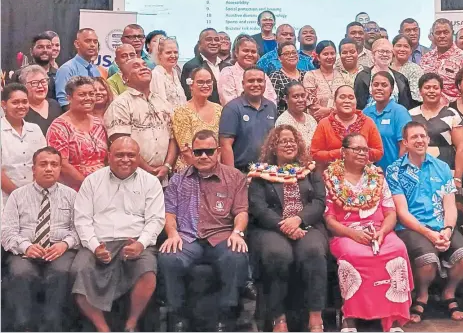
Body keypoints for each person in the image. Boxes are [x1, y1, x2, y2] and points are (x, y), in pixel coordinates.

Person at [158, 130, 249, 331]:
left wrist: (237, 232)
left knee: (236, 255)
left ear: (218, 151)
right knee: (168, 257)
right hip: (187, 238)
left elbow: (241, 211)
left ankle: (226, 317)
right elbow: (169, 212)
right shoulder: (178, 180)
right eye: (198, 152)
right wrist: (172, 234)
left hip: (221, 236)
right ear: (191, 153)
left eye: (209, 151)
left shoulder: (234, 177)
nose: (204, 156)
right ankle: (177, 316)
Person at [72, 137, 165, 332]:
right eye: (119, 155)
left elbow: (156, 220)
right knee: (79, 271)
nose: (125, 159)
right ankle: (103, 328)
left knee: (147, 271)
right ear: (108, 157)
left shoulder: (150, 183)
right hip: (99, 241)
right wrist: (95, 246)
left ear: (139, 157)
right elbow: (82, 220)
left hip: (136, 241)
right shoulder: (92, 181)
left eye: (131, 155)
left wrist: (141, 244)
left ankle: (130, 324)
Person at [386, 121, 463, 323]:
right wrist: (428, 233)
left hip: (441, 225)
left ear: (428, 139)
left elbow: (450, 206)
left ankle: (449, 293)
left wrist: (448, 229)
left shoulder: (442, 167)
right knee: (427, 260)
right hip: (411, 227)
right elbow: (401, 212)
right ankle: (422, 295)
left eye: (422, 136)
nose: (419, 140)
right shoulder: (394, 171)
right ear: (406, 143)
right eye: (414, 137)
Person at [324, 132, 413, 332]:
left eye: (365, 149)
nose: (363, 153)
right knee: (353, 255)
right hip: (346, 233)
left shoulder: (377, 177)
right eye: (357, 149)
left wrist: (382, 232)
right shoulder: (331, 177)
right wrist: (352, 234)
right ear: (343, 152)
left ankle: (393, 319)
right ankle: (351, 318)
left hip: (379, 230)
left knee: (397, 250)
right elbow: (329, 219)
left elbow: (391, 213)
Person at [248, 125, 328, 332]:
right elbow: (258, 207)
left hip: (307, 224)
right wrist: (284, 225)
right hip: (271, 228)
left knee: (313, 251)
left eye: (292, 141)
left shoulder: (309, 170)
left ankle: (315, 318)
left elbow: (319, 201)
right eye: (283, 141)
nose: (289, 144)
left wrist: (299, 220)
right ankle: (278, 318)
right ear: (273, 147)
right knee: (277, 254)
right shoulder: (260, 173)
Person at [1, 146, 79, 331]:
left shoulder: (72, 196)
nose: (49, 168)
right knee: (21, 273)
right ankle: (23, 325)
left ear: (60, 168)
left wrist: (64, 244)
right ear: (33, 169)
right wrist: (26, 246)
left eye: (54, 164)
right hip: (24, 252)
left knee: (60, 273)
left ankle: (53, 326)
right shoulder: (17, 196)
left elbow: (79, 230)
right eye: (43, 164)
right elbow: (6, 231)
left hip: (60, 252)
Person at [104, 58, 178, 187]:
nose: (144, 67)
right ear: (125, 78)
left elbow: (173, 138)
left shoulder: (163, 102)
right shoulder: (120, 105)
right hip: (132, 178)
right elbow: (121, 145)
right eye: (136, 66)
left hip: (163, 178)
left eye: (145, 65)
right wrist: (148, 169)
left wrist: (166, 166)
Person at [46, 76, 108, 191]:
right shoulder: (59, 127)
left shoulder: (98, 123)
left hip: (104, 186)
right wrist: (88, 185)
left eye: (91, 94)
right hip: (74, 189)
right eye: (82, 95)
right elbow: (62, 165)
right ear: (69, 98)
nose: (88, 98)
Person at [409, 73, 463, 190]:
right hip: (416, 171)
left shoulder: (451, 114)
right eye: (427, 87)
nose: (431, 91)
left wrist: (457, 178)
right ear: (420, 91)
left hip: (446, 170)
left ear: (441, 91)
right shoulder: (410, 114)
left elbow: (462, 147)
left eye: (435, 88)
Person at [311, 85, 383, 171]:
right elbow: (315, 154)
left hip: (363, 177)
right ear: (335, 102)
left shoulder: (368, 122)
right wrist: (340, 153)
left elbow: (379, 152)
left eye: (351, 97)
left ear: (356, 101)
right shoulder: (324, 124)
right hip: (330, 176)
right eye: (342, 97)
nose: (347, 101)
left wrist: (359, 153)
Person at [219, 66, 278, 172]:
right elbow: (225, 145)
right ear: (243, 84)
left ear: (265, 83)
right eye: (251, 81)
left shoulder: (271, 107)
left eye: (260, 81)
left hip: (268, 171)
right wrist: (232, 176)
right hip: (242, 171)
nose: (256, 84)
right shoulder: (232, 108)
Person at [1, 83, 47, 206]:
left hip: (36, 196)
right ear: (3, 104)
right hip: (5, 199)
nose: (21, 106)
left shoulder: (35, 129)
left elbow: (43, 161)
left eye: (24, 102)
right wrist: (19, 195)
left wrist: (34, 192)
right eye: (15, 102)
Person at [172, 67, 223, 172]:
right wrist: (205, 172)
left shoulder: (219, 109)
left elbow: (221, 145)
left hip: (215, 168)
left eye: (209, 82)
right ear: (191, 85)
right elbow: (186, 150)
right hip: (189, 170)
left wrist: (216, 170)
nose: (205, 85)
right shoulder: (182, 111)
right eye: (200, 82)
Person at [363, 72, 412, 171]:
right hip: (368, 174)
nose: (379, 88)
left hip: (393, 174)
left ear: (391, 89)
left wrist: (398, 172)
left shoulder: (399, 112)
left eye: (384, 85)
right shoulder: (365, 113)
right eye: (375, 85)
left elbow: (406, 146)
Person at [420, 19, 463, 104]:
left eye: (446, 32)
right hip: (428, 110)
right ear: (433, 35)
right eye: (438, 33)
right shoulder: (425, 58)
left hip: (454, 111)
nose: (442, 36)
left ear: (452, 33)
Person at [353, 38, 414, 110]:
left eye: (388, 52)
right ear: (373, 54)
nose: (385, 54)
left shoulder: (401, 78)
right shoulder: (363, 77)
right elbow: (358, 105)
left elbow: (407, 105)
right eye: (381, 51)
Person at [218, 34, 276, 105]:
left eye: (253, 52)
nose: (250, 54)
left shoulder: (262, 74)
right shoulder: (228, 73)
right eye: (246, 51)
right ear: (236, 53)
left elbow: (272, 101)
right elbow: (229, 103)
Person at [55, 28, 100, 109]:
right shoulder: (67, 69)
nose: (92, 45)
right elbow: (64, 102)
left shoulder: (95, 70)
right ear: (77, 44)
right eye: (88, 41)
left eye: (95, 42)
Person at [181, 28, 228, 104]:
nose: (213, 43)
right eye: (209, 39)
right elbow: (189, 95)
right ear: (199, 44)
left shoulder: (227, 66)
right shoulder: (191, 66)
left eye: (216, 39)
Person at [10, 33, 57, 100]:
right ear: (31, 51)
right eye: (40, 47)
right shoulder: (19, 74)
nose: (45, 50)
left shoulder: (58, 74)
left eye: (48, 47)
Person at [20, 65, 63, 135]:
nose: (40, 86)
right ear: (24, 86)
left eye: (43, 81)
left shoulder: (55, 104)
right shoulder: (22, 110)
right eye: (34, 83)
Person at [275, 81, 318, 148]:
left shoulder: (311, 119)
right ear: (286, 99)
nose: (301, 100)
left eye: (303, 96)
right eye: (295, 96)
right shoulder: (283, 122)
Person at [269, 42, 307, 115]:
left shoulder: (305, 75)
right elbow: (273, 104)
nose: (291, 55)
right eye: (287, 54)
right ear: (280, 58)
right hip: (284, 120)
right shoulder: (275, 76)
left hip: (306, 118)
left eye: (294, 52)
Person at [151, 37, 187, 111]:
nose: (173, 56)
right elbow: (160, 106)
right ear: (159, 55)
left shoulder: (175, 72)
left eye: (175, 52)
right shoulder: (156, 74)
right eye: (168, 52)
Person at [303, 40, 336, 121]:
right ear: (318, 57)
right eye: (325, 54)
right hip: (317, 121)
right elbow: (311, 104)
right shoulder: (310, 76)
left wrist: (329, 111)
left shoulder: (343, 75)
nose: (330, 57)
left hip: (340, 121)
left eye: (332, 53)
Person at [390, 34, 425, 102]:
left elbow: (416, 98)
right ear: (392, 48)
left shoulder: (415, 69)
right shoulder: (386, 67)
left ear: (411, 50)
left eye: (406, 46)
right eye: (399, 46)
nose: (402, 49)